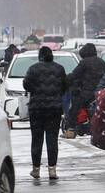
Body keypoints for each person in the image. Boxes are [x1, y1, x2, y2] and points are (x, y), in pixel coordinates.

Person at [22, 46, 70, 182]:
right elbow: (65, 86)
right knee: (52, 139)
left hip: (36, 108)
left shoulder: (33, 68)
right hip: (54, 109)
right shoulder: (59, 69)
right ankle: (52, 169)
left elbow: (26, 85)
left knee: (36, 139)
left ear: (40, 56)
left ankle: (36, 169)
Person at [65, 43, 105, 136]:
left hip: (87, 93)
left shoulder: (84, 62)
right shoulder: (102, 62)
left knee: (74, 110)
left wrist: (65, 79)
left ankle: (70, 130)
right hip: (101, 93)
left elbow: (75, 75)